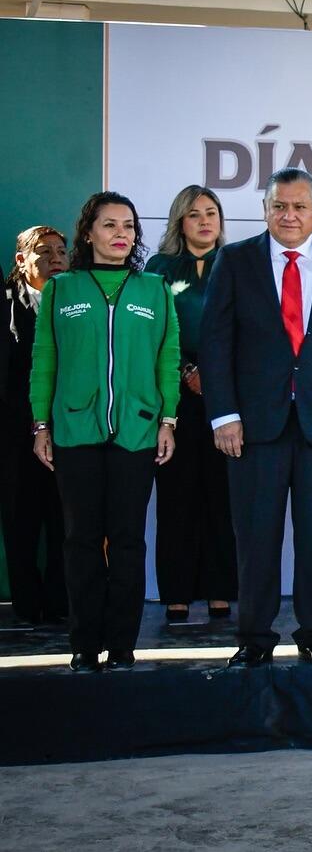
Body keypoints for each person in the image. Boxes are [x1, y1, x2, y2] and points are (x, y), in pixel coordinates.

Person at [200, 167, 312, 668]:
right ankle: (254, 637)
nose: (290, 215)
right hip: (254, 426)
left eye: (301, 206)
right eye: (280, 206)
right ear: (265, 210)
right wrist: (224, 416)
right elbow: (215, 345)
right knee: (256, 536)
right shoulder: (236, 261)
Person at [30, 193, 179, 671]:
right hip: (75, 430)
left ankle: (121, 645)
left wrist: (168, 420)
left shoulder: (155, 289)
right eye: (110, 224)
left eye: (129, 226)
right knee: (81, 541)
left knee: (129, 540)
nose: (121, 234)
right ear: (89, 232)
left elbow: (168, 361)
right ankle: (84, 644)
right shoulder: (62, 289)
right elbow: (44, 362)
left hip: (135, 433)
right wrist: (41, 424)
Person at [145, 186, 237, 624]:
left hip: (229, 395)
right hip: (174, 395)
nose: (205, 220)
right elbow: (154, 331)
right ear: (179, 221)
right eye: (195, 214)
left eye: (212, 212)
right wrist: (186, 371)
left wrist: (217, 377)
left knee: (222, 496)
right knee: (177, 496)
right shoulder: (160, 268)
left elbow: (250, 328)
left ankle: (221, 590)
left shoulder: (238, 262)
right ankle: (176, 593)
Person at [1, 226, 68, 627]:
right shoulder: (7, 302)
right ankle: (26, 607)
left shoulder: (78, 300)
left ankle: (61, 604)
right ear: (21, 260)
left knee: (66, 521)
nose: (56, 258)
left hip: (69, 428)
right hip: (13, 432)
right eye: (44, 251)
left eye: (62, 251)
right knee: (20, 518)